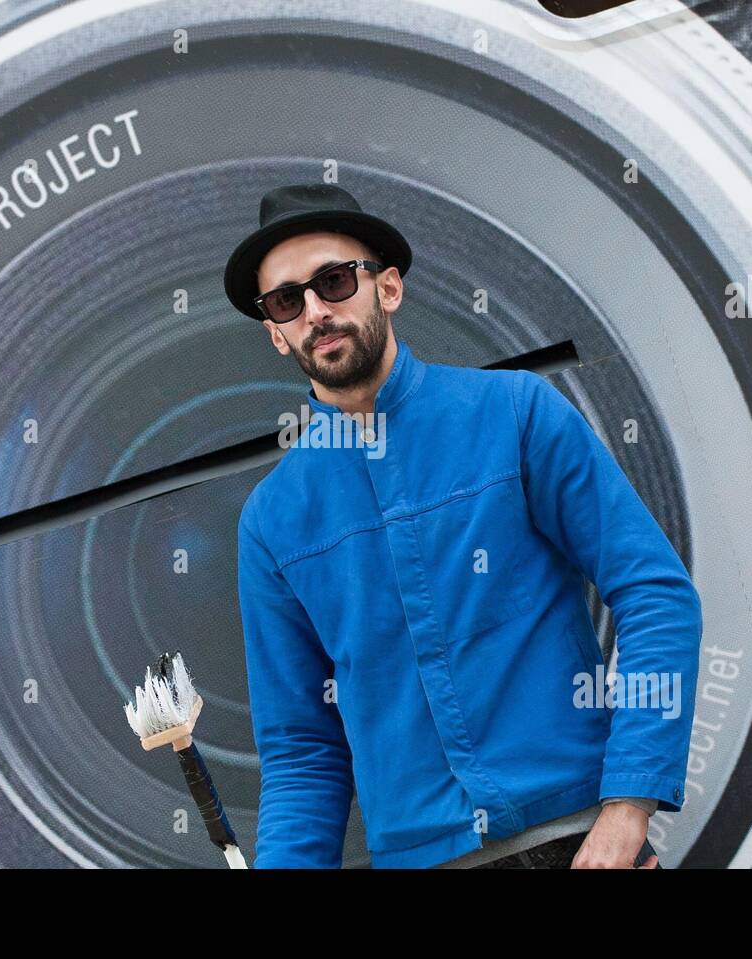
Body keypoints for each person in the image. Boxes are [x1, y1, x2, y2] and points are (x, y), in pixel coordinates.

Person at [225, 183, 702, 869]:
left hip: (577, 841)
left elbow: (655, 593)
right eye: (287, 300)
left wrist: (629, 806)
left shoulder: (515, 412)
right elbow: (303, 748)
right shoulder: (272, 521)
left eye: (334, 280)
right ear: (274, 331)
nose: (317, 311)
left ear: (388, 287)